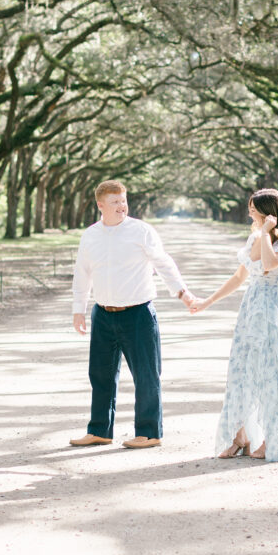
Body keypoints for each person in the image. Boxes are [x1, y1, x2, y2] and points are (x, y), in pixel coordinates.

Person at [70, 180, 196, 449]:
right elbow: (82, 273)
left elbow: (164, 264)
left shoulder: (141, 231)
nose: (121, 206)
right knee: (100, 375)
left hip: (137, 313)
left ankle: (149, 432)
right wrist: (78, 310)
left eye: (124, 200)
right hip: (102, 314)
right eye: (115, 202)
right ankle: (100, 430)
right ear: (100, 205)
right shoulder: (90, 235)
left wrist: (183, 294)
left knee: (146, 375)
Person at [191, 188, 278, 462]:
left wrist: (266, 233)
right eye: (250, 209)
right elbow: (239, 277)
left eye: (254, 210)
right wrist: (206, 301)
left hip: (275, 311)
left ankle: (272, 440)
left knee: (272, 375)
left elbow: (267, 264)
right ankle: (239, 436)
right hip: (251, 310)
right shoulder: (255, 237)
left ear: (270, 213)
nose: (250, 214)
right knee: (241, 373)